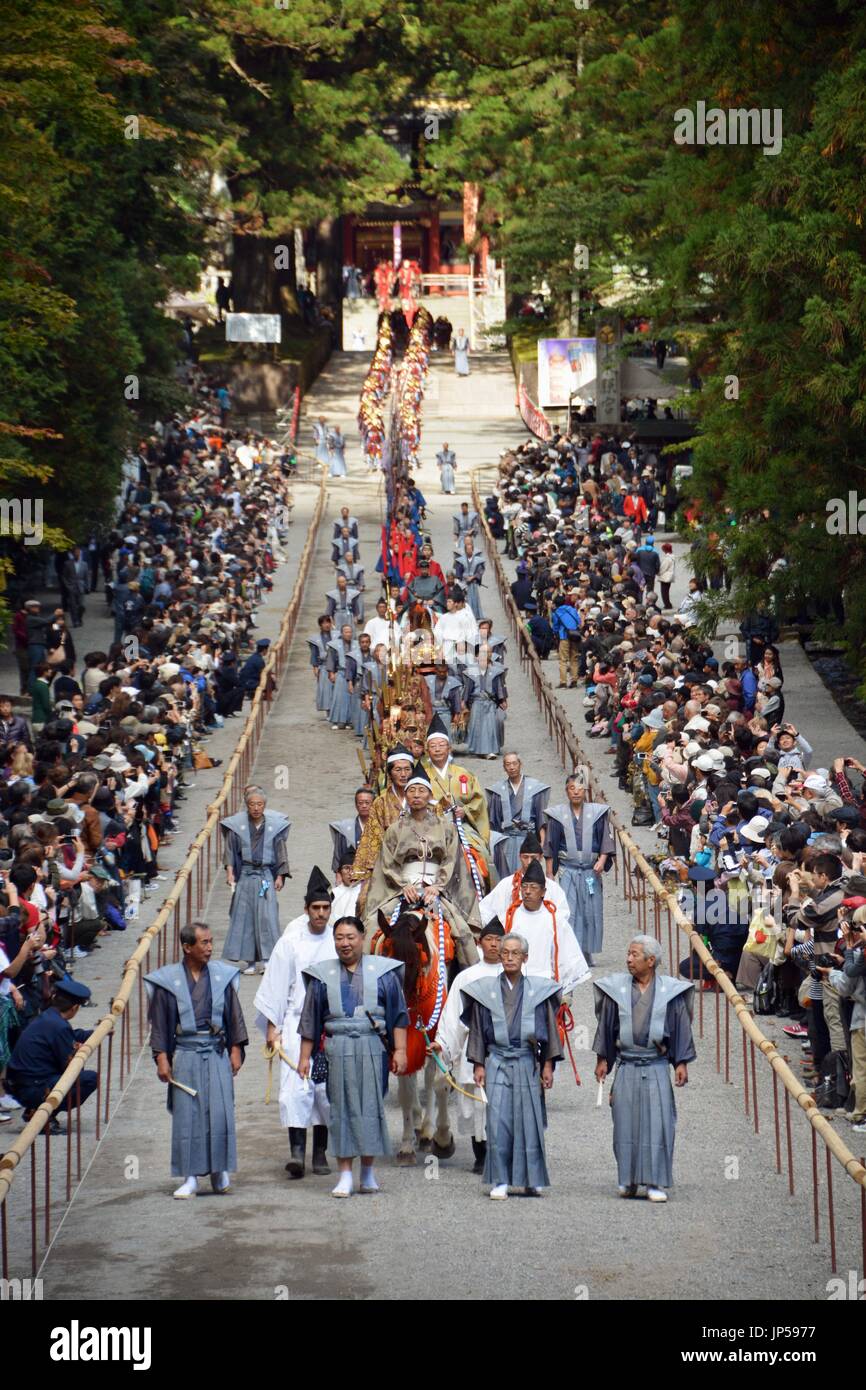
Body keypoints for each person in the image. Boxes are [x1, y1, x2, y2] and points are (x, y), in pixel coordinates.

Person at [297, 915, 409, 1197]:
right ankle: (345, 1173)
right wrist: (304, 1058)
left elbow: (398, 1016)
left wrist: (401, 1050)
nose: (344, 944)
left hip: (373, 1046)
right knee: (341, 1109)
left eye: (350, 937)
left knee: (371, 1107)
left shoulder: (384, 973)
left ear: (362, 938)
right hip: (338, 1047)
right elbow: (310, 1020)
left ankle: (368, 1173)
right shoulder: (322, 975)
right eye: (339, 938)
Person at [145, 922, 247, 1199]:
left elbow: (233, 1016)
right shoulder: (168, 981)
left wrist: (236, 1049)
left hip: (216, 1049)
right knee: (187, 1115)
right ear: (187, 947)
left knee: (220, 1111)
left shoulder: (222, 976)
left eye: (211, 941)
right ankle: (190, 1177)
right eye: (203, 943)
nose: (210, 948)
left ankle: (220, 1170)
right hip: (186, 1052)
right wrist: (162, 1058)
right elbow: (161, 1024)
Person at [593, 935, 696, 1202]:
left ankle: (655, 1181)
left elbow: (680, 1025)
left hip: (656, 1063)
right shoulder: (617, 989)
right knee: (624, 1124)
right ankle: (628, 1180)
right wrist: (603, 1059)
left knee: (659, 1123)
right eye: (628, 953)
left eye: (635, 954)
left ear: (651, 961)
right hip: (627, 1063)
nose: (628, 959)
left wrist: (680, 1062)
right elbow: (607, 1025)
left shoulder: (669, 992)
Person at [461, 932, 562, 1198]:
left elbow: (550, 1030)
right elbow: (478, 1030)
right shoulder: (486, 990)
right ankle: (500, 1179)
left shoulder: (539, 991)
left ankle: (531, 1178)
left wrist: (548, 1065)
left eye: (515, 953)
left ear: (525, 957)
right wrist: (478, 1063)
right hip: (497, 1060)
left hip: (527, 1060)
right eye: (504, 952)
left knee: (530, 1120)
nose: (508, 957)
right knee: (498, 1120)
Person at [254, 866, 337, 1179]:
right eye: (315, 908)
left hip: (328, 1026)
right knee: (295, 1089)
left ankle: (320, 1154)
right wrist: (272, 1029)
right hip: (294, 1020)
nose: (320, 914)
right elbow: (276, 984)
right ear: (306, 909)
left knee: (325, 1090)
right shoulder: (290, 941)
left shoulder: (338, 939)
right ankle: (296, 1153)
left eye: (325, 908)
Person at [364, 761, 481, 964]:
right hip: (404, 888)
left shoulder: (446, 828)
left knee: (462, 932)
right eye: (412, 791)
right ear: (406, 796)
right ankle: (366, 978)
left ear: (430, 796)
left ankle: (466, 983)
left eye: (421, 791)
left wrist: (437, 886)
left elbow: (451, 859)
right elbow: (388, 863)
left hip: (436, 889)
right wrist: (404, 885)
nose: (416, 795)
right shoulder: (394, 829)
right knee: (372, 926)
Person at [434, 918, 505, 1173]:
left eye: (499, 940)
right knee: (477, 1103)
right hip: (473, 1047)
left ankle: (502, 1151)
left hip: (504, 1049)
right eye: (489, 940)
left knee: (502, 1101)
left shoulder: (514, 975)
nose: (494, 945)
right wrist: (442, 1043)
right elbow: (453, 1014)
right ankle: (481, 1155)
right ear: (479, 943)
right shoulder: (466, 977)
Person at [6, 975, 96, 1129]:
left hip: (20, 1084)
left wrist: (96, 1032)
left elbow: (70, 1035)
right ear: (74, 1008)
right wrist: (80, 1051)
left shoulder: (48, 1017)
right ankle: (42, 1113)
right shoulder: (58, 1026)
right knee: (89, 1079)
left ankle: (36, 1109)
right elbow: (71, 1068)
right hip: (32, 1088)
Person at [544, 770, 615, 965]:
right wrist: (550, 873)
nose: (576, 792)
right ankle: (570, 951)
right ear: (566, 791)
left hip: (591, 870)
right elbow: (550, 844)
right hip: (568, 869)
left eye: (580, 789)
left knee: (591, 910)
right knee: (569, 910)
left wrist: (602, 859)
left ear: (585, 791)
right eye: (571, 788)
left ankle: (587, 950)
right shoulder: (558, 815)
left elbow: (605, 839)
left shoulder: (597, 813)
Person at [221, 786, 290, 973]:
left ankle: (268, 958)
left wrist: (280, 876)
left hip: (266, 874)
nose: (256, 808)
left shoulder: (274, 825)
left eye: (259, 804)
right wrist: (230, 873)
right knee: (245, 917)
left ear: (264, 805)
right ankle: (249, 960)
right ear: (247, 805)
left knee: (267, 916)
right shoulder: (237, 826)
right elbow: (230, 851)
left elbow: (281, 852)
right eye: (252, 804)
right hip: (245, 874)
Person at [502, 857, 590, 992]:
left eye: (533, 887)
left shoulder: (555, 920)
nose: (527, 891)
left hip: (545, 983)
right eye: (524, 887)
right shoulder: (510, 917)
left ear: (543, 892)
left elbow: (568, 955)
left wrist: (564, 990)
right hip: (513, 983)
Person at [422, 714, 491, 869]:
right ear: (427, 750)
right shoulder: (422, 776)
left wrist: (464, 811)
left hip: (462, 827)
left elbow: (478, 802)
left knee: (480, 855)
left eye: (441, 745)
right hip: (430, 828)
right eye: (433, 746)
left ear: (449, 748)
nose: (437, 749)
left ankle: (484, 891)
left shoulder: (463, 774)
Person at [480, 832, 571, 928]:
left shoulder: (552, 887)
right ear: (520, 857)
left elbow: (563, 914)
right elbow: (485, 910)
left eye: (533, 857)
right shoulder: (507, 884)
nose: (529, 862)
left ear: (540, 857)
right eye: (525, 857)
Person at [486, 754, 550, 876]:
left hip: (528, 838)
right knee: (505, 875)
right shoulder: (498, 790)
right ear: (504, 767)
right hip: (506, 839)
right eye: (508, 764)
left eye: (515, 763)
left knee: (529, 875)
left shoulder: (534, 787)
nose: (512, 767)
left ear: (520, 764)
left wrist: (542, 843)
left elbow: (541, 819)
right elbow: (493, 821)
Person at [462, 647, 507, 759]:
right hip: (477, 702)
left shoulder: (495, 672)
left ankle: (490, 750)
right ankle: (478, 749)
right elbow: (467, 688)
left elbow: (499, 687)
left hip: (489, 702)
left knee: (489, 726)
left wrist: (502, 700)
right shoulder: (471, 672)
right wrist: (464, 701)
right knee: (478, 726)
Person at [329, 788, 374, 873]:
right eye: (360, 803)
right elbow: (338, 855)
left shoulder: (380, 827)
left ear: (374, 804)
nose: (364, 806)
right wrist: (338, 873)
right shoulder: (345, 827)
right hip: (351, 874)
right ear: (356, 805)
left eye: (367, 803)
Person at [454, 537, 485, 620]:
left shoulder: (477, 560)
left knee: (474, 599)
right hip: (464, 583)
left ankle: (475, 615)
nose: (469, 551)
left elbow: (480, 570)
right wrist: (462, 578)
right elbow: (458, 571)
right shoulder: (461, 560)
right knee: (465, 598)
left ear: (473, 549)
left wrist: (473, 577)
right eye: (467, 549)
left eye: (470, 549)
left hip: (473, 583)